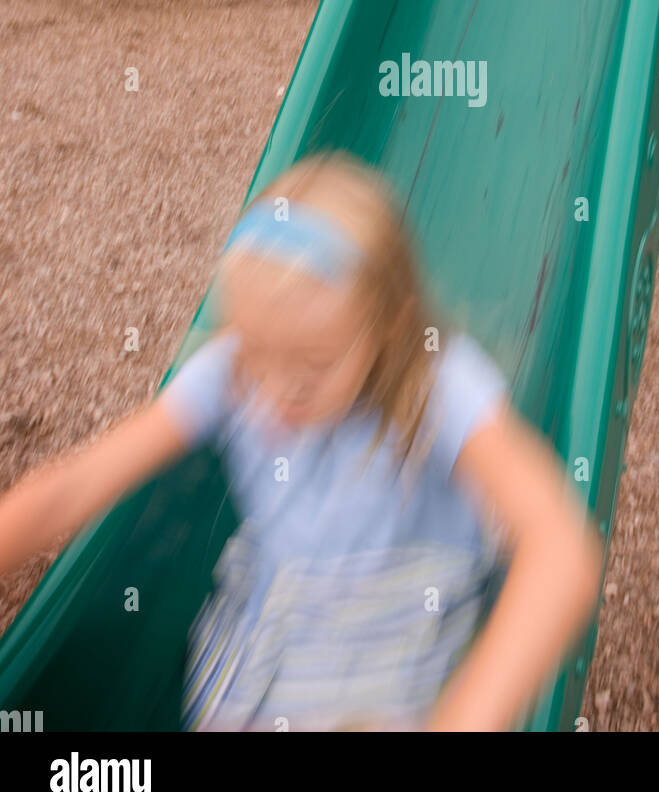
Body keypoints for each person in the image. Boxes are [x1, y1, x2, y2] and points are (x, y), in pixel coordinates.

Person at [0, 151, 603, 731]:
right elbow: (72, 487)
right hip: (273, 660)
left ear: (389, 325)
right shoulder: (233, 368)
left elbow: (561, 548)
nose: (277, 390)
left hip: (395, 660)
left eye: (314, 366)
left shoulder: (436, 384)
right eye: (256, 352)